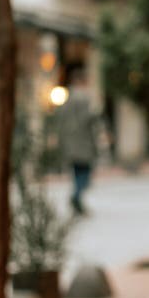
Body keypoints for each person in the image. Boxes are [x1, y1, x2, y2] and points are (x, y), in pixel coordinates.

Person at [54, 69, 98, 215]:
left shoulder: (66, 99)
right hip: (83, 144)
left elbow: (60, 122)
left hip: (71, 144)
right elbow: (87, 121)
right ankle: (76, 197)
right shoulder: (83, 99)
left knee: (77, 173)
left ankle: (77, 199)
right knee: (84, 173)